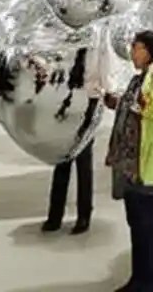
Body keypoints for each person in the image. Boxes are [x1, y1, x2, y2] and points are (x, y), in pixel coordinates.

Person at [105, 30, 153, 292]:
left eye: (136, 48)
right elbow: (133, 106)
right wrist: (117, 101)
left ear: (148, 50)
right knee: (136, 223)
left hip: (148, 163)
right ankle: (139, 278)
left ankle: (151, 282)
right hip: (131, 165)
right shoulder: (139, 79)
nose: (132, 53)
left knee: (149, 224)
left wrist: (134, 103)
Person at [42, 34, 111, 235]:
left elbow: (105, 72)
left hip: (89, 102)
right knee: (61, 157)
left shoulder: (99, 42)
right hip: (68, 100)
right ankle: (55, 216)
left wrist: (106, 92)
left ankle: (83, 216)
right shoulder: (71, 38)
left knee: (83, 160)